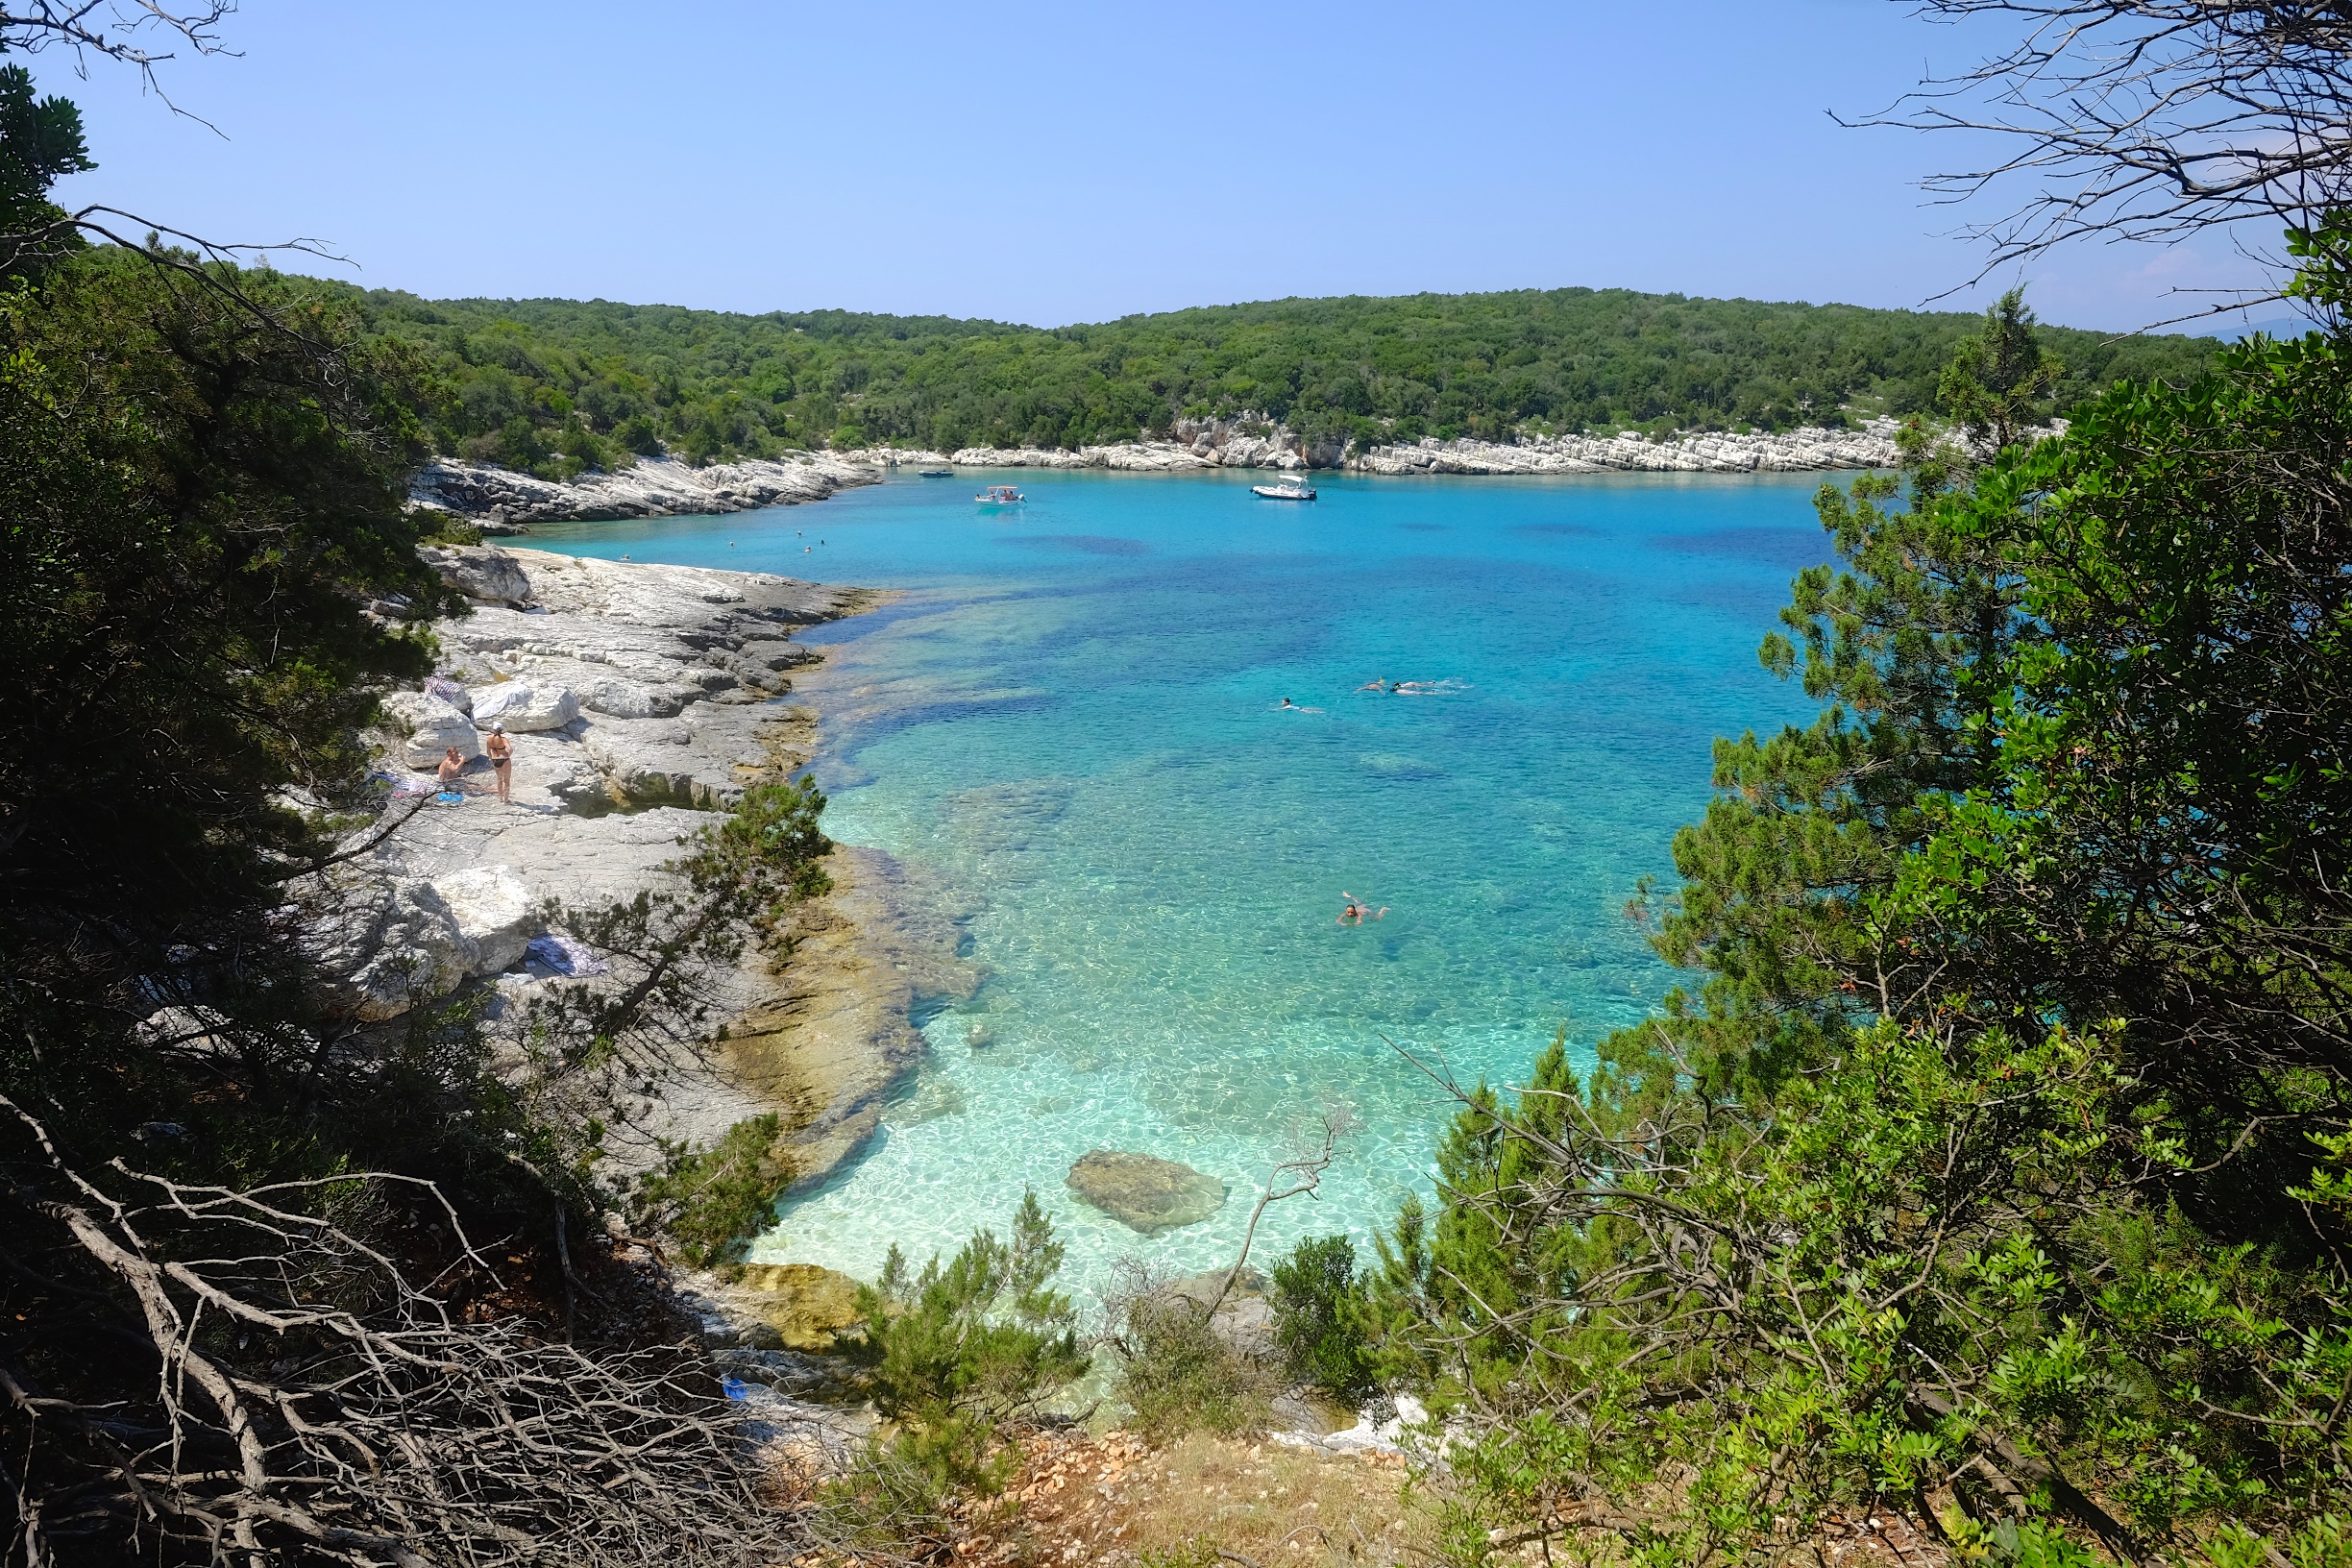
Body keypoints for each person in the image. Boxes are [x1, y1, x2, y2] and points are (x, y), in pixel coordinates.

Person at [484, 722, 513, 803]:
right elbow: (510, 749)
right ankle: (506, 800)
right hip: (504, 759)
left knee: (499, 779)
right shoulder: (503, 739)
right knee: (506, 780)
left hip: (495, 759)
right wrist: (508, 755)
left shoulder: (489, 739)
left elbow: (488, 751)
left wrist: (491, 759)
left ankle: (500, 797)